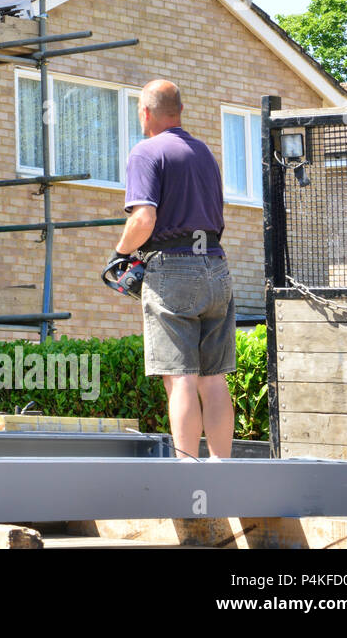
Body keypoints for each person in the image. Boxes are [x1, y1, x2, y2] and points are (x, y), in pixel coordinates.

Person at [110, 79, 234, 460]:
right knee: (213, 380)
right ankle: (221, 469)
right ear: (178, 110)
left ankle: (187, 472)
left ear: (146, 112)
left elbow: (144, 219)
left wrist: (120, 253)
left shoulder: (146, 153)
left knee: (180, 377)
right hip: (215, 265)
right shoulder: (205, 154)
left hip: (174, 270)